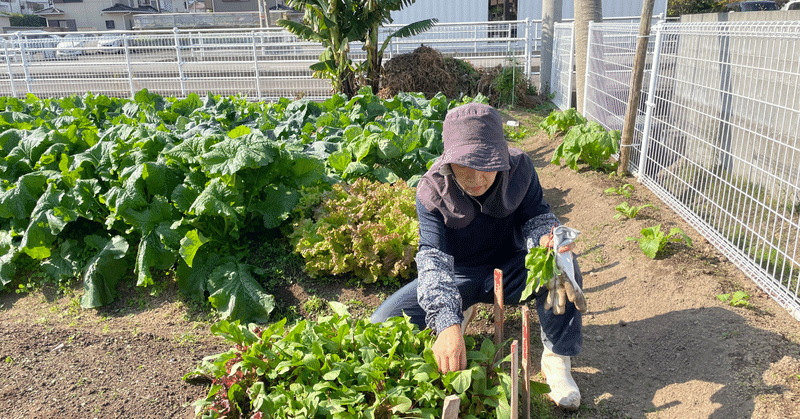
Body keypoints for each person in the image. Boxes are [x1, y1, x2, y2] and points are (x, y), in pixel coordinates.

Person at [370, 102, 584, 410]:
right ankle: (461, 308)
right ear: (448, 162)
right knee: (382, 321)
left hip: (512, 270)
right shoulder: (432, 191)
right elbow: (433, 261)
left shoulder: (520, 170)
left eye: (486, 165)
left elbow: (538, 217)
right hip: (459, 276)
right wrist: (446, 321)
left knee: (560, 266)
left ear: (501, 156)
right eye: (464, 167)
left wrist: (546, 240)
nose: (476, 178)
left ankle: (557, 360)